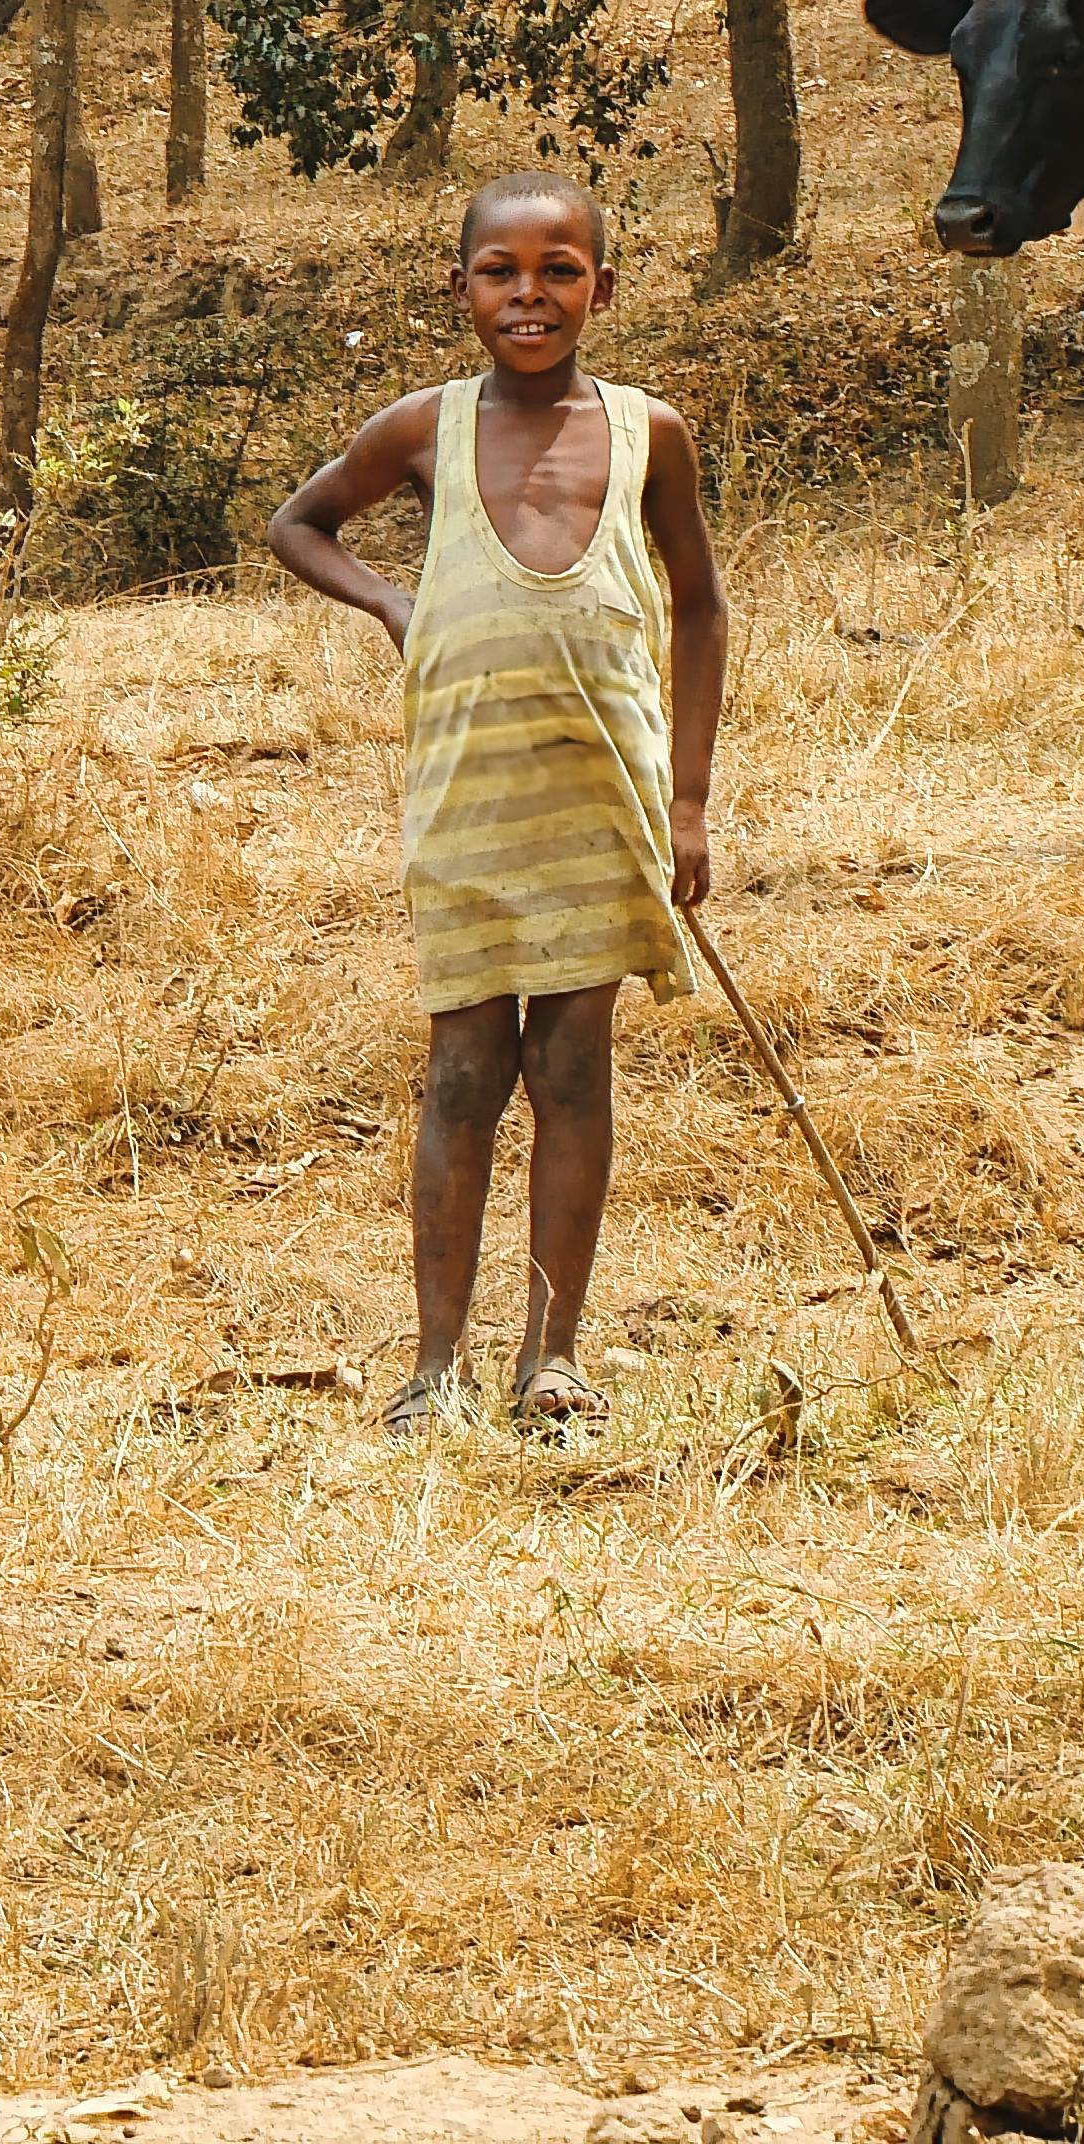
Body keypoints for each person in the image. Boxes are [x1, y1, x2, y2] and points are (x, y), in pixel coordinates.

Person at [265, 171, 728, 1436]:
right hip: (469, 794)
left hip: (604, 795)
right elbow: (300, 524)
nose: (531, 297)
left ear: (603, 287)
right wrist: (395, 604)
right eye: (501, 273)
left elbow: (700, 608)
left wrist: (688, 804)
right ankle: (434, 1368)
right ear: (459, 286)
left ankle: (554, 1359)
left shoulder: (650, 433)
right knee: (465, 1069)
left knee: (574, 1065)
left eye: (560, 271)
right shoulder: (422, 428)